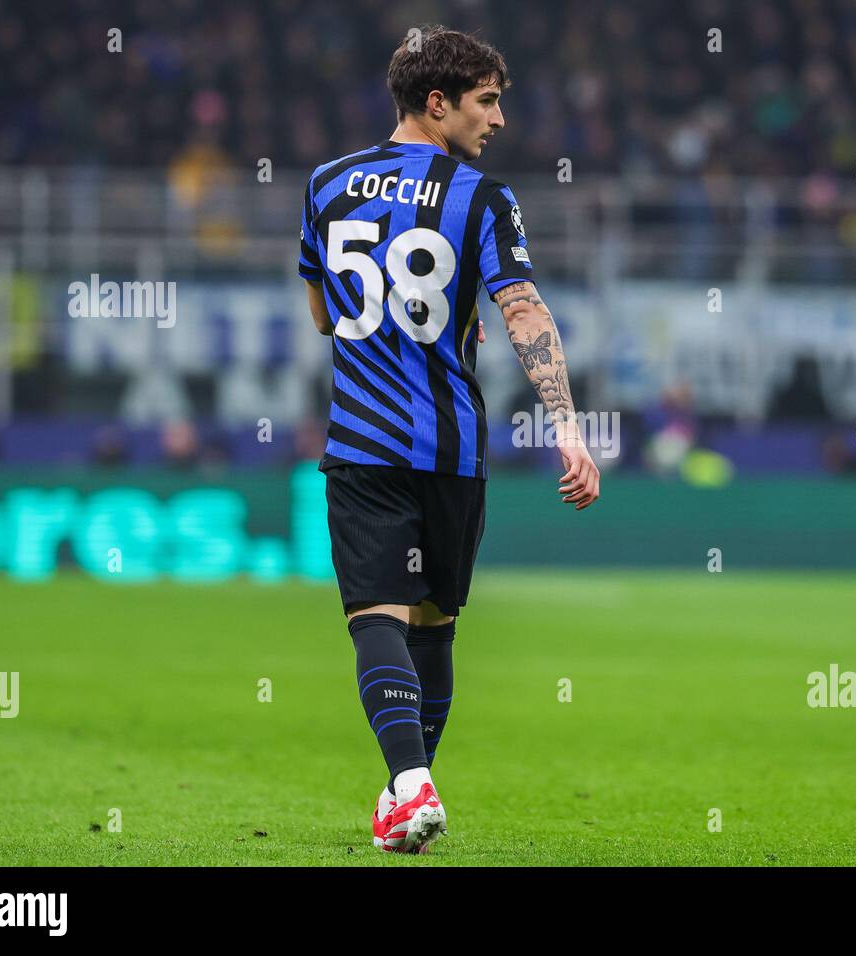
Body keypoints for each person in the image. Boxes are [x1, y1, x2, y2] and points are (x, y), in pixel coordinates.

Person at [298, 25, 599, 854]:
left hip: (362, 442)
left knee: (377, 620)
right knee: (431, 626)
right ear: (438, 104)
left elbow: (325, 315)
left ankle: (408, 786)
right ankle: (412, 787)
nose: (498, 121)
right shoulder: (483, 196)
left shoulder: (325, 186)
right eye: (487, 101)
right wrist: (566, 424)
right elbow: (523, 311)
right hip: (451, 451)